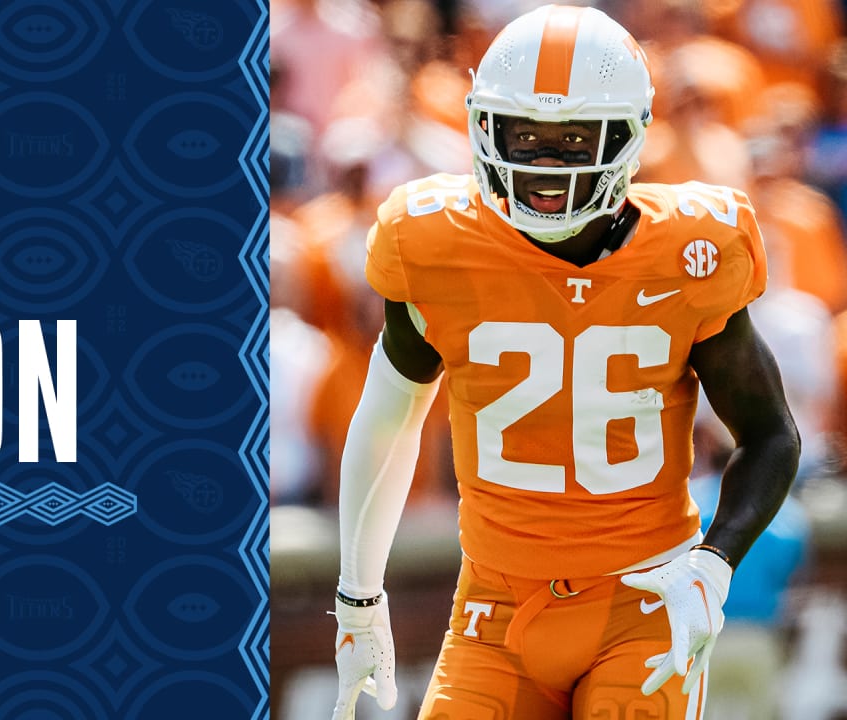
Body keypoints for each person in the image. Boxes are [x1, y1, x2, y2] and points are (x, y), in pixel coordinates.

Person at [330, 5, 801, 719]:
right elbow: (388, 424)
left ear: (630, 136)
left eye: (575, 139)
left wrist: (714, 562)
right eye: (525, 135)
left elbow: (771, 434)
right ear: (486, 128)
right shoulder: (433, 243)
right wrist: (358, 598)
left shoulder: (690, 252)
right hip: (494, 609)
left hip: (645, 601)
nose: (542, 163)